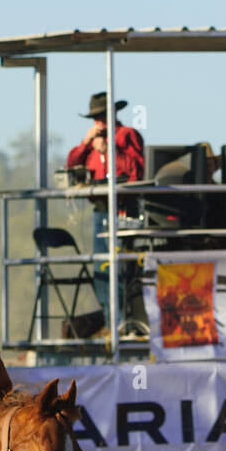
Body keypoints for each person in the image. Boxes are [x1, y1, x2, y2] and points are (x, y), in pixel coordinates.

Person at [66, 91, 147, 337]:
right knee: (100, 268)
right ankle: (112, 322)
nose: (99, 122)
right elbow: (71, 165)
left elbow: (136, 170)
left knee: (120, 266)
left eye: (102, 116)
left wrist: (110, 150)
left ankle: (123, 323)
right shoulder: (91, 142)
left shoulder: (128, 136)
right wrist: (85, 143)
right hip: (101, 209)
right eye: (95, 118)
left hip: (124, 207)